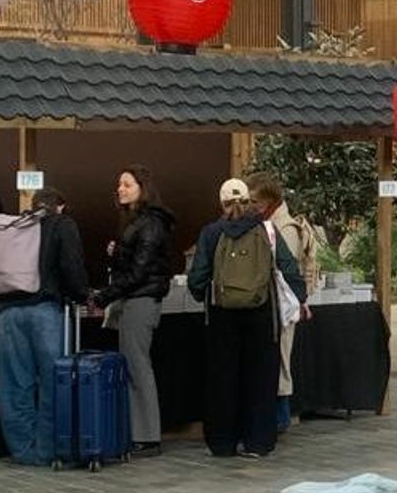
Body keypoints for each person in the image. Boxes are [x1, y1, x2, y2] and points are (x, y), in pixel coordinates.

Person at [186, 178, 305, 458]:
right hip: (262, 315)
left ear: (222, 203)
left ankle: (223, 442)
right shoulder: (268, 230)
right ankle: (258, 441)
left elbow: (198, 277)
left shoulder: (212, 232)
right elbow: (289, 268)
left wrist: (198, 293)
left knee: (223, 378)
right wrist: (299, 297)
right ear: (249, 201)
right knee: (260, 378)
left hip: (221, 316)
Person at [0, 188, 87, 466]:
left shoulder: (14, 225)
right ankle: (48, 449)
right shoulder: (62, 223)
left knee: (14, 385)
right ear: (61, 206)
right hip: (44, 310)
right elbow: (71, 264)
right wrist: (82, 295)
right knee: (52, 383)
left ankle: (22, 450)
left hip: (8, 311)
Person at [95, 165, 174, 455]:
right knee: (135, 366)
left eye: (127, 184)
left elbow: (139, 272)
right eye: (119, 184)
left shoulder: (149, 223)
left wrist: (105, 295)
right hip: (136, 298)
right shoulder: (142, 221)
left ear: (143, 187)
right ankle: (141, 432)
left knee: (137, 367)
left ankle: (147, 435)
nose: (120, 189)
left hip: (139, 300)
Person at [249, 174, 316, 434]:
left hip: (283, 309)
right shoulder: (266, 224)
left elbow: (285, 273)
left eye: (254, 200)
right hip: (273, 307)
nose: (250, 205)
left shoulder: (285, 229)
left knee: (280, 364)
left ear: (268, 201)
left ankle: (280, 417)